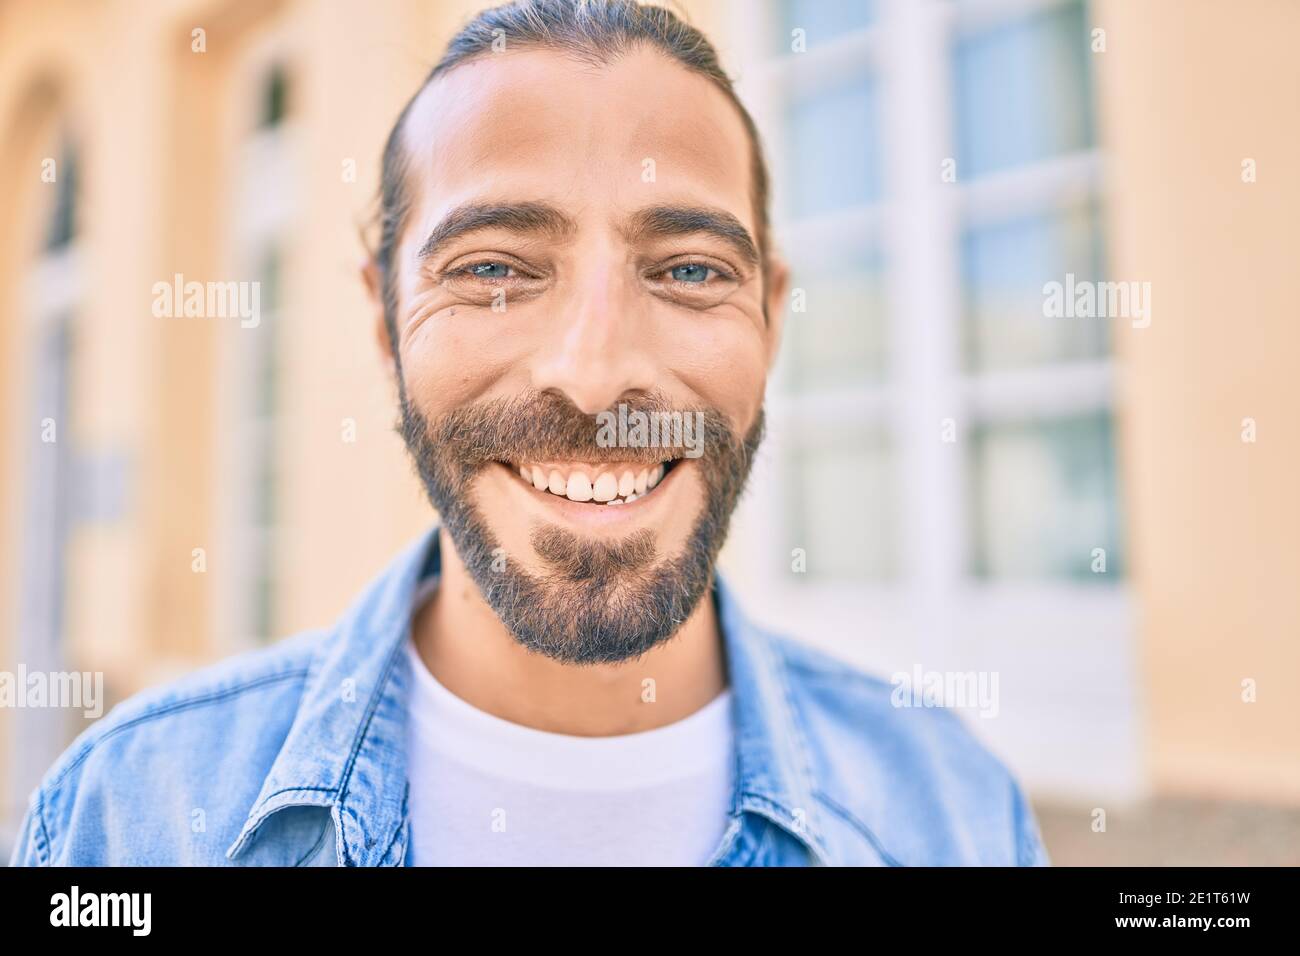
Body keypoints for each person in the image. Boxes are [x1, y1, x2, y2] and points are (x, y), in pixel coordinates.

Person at [10, 0, 1049, 867]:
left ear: (770, 316)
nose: (594, 376)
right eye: (494, 269)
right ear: (383, 322)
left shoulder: (953, 815)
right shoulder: (128, 819)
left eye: (689, 269)